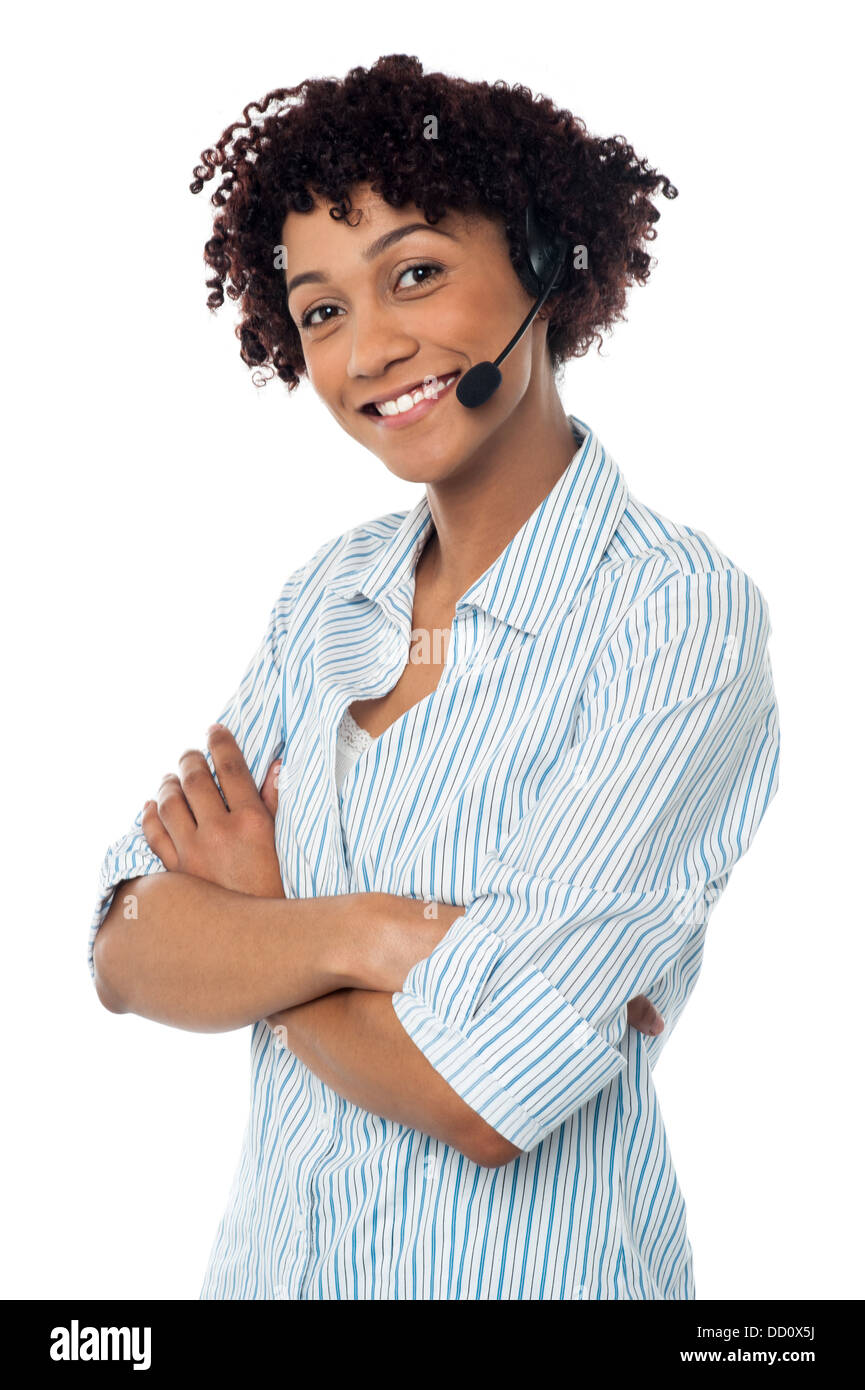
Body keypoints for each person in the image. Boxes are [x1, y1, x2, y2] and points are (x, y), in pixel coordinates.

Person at [88, 54, 780, 1300]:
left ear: (541, 262)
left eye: (415, 273)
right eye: (320, 311)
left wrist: (257, 932)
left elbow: (482, 1089)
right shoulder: (329, 594)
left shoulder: (674, 619)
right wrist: (364, 933)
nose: (371, 350)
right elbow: (125, 943)